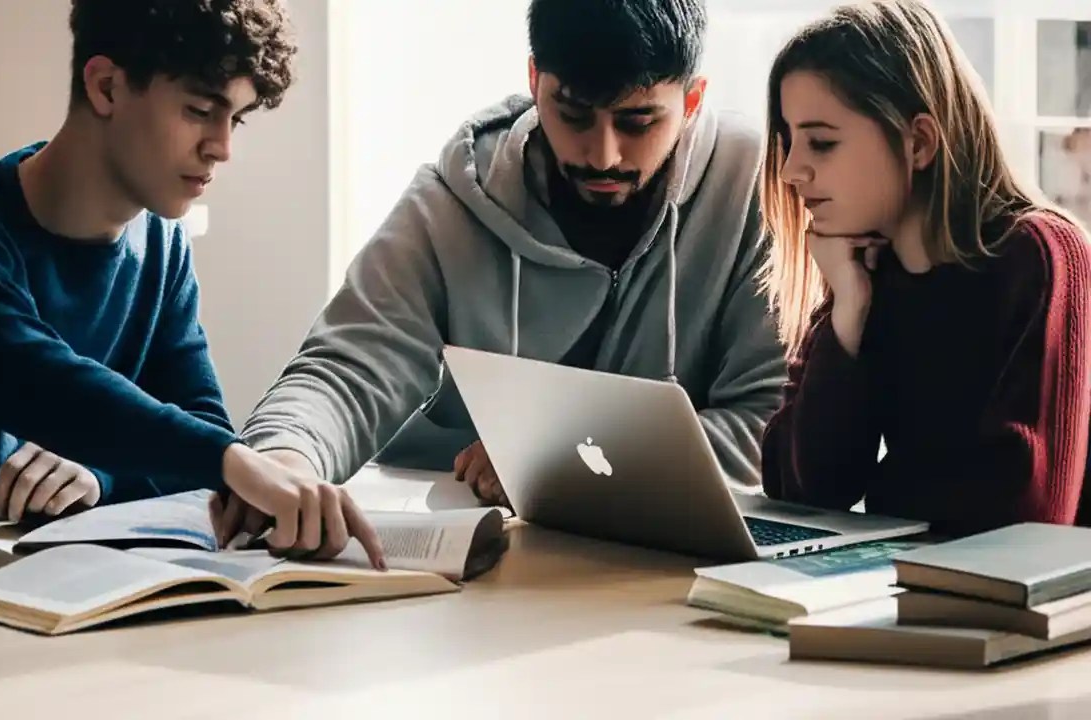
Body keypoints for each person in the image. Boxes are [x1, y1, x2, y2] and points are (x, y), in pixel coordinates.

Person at [0, 0, 385, 567]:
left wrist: (99, 473)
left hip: (28, 588)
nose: (223, 147)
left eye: (234, 119)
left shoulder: (159, 242)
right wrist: (237, 461)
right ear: (106, 86)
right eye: (198, 110)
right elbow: (43, 382)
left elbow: (196, 422)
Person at [233, 0, 787, 510]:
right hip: (475, 553)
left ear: (691, 100)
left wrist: (556, 457)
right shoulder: (453, 201)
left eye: (638, 122)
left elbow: (771, 428)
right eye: (573, 114)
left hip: (673, 567)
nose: (603, 155)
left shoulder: (755, 190)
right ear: (533, 81)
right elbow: (351, 365)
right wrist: (285, 458)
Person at [759, 0, 1091, 537]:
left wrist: (888, 497)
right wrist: (848, 311)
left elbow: (1027, 513)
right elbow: (801, 492)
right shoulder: (864, 266)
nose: (794, 170)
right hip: (913, 582)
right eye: (789, 141)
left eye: (821, 142)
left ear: (917, 142)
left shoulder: (1040, 253)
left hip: (1026, 610)